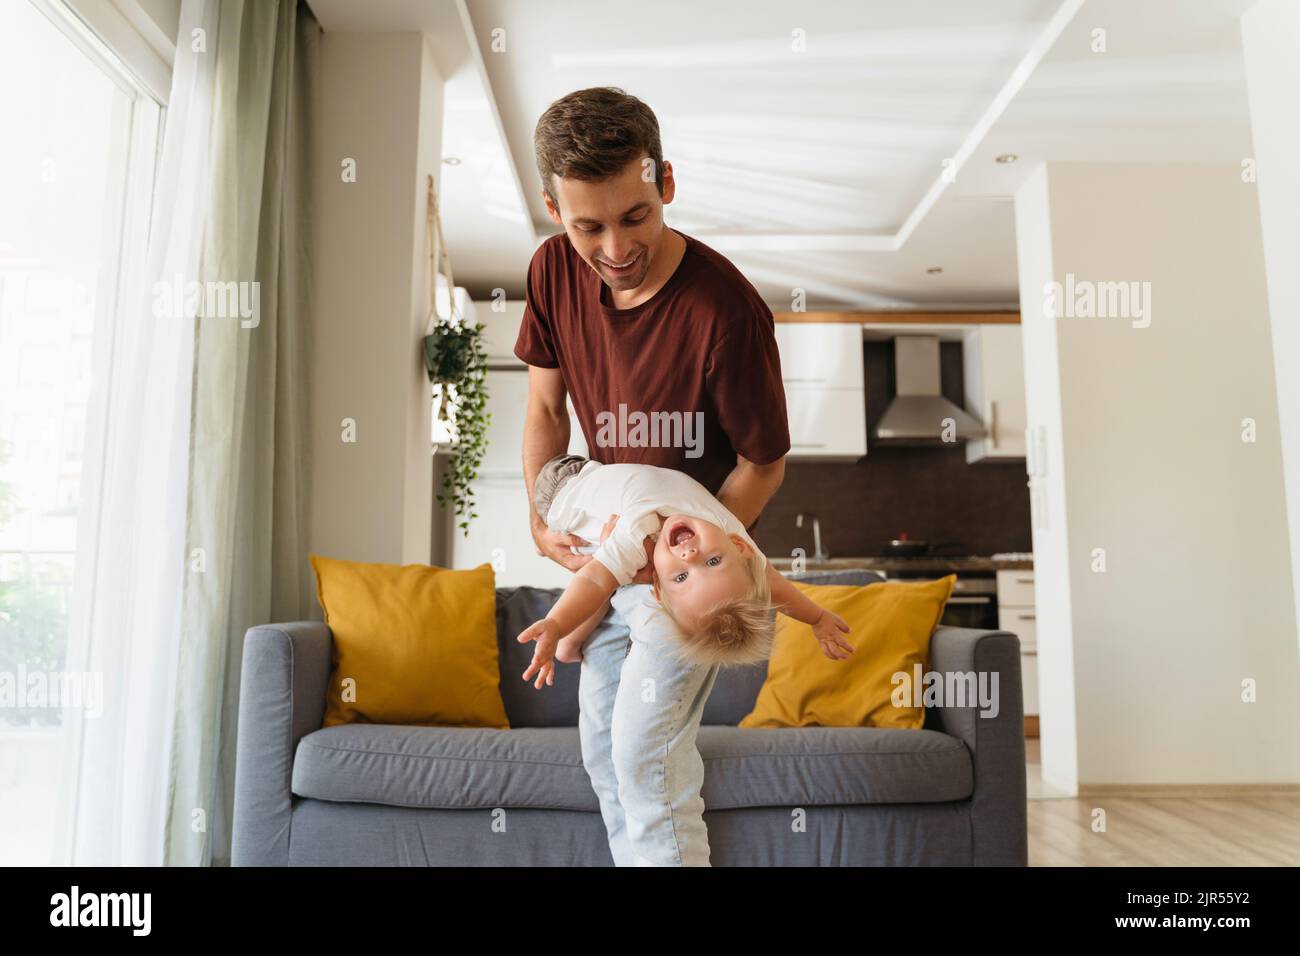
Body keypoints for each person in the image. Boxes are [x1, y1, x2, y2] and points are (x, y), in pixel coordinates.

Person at [516, 86, 792, 866]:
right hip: (607, 559)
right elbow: (545, 406)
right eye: (587, 226)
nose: (613, 248)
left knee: (646, 759)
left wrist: (678, 571)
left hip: (675, 578)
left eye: (634, 216)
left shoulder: (726, 311)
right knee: (606, 758)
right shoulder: (549, 273)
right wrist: (542, 517)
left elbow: (763, 463)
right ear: (552, 208)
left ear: (664, 182)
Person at [517, 456, 854, 677]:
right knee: (614, 571)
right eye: (713, 561)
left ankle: (566, 642)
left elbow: (591, 581)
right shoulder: (730, 529)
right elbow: (771, 583)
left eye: (681, 577)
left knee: (608, 571)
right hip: (586, 481)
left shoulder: (636, 534)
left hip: (563, 490)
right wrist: (817, 617)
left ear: (657, 585)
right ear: (739, 547)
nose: (690, 555)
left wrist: (556, 624)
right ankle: (569, 646)